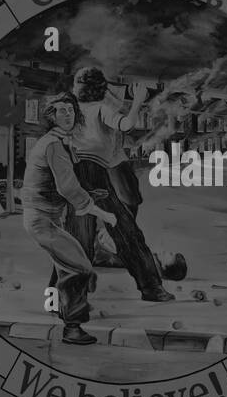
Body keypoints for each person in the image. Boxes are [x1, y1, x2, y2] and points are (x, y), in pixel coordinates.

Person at [68, 66, 175, 302]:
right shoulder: (97, 108)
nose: (74, 87)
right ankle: (151, 288)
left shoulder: (77, 109)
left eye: (77, 83)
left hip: (83, 174)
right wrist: (137, 100)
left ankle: (70, 299)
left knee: (80, 238)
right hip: (91, 173)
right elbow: (126, 125)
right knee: (122, 233)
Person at [21, 93, 117, 345]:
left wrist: (92, 194)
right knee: (80, 267)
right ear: (51, 117)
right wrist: (102, 212)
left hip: (50, 217)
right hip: (41, 220)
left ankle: (62, 309)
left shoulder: (63, 142)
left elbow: (64, 182)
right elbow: (68, 188)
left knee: (69, 264)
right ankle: (72, 328)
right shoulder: (53, 144)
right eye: (61, 110)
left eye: (71, 110)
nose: (67, 114)